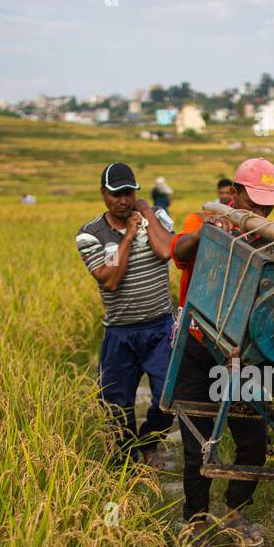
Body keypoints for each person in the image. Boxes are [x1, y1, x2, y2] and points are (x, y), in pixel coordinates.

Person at [169, 159, 274, 547]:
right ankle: (194, 519)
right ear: (236, 192)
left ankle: (235, 509)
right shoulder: (204, 219)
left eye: (267, 205)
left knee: (253, 441)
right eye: (254, 202)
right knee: (197, 441)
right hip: (198, 346)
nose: (261, 212)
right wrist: (209, 232)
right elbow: (178, 249)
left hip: (243, 357)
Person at [75, 162, 177, 467]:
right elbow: (109, 279)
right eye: (116, 194)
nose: (123, 200)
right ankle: (125, 462)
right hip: (120, 332)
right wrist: (129, 237)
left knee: (168, 397)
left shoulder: (156, 216)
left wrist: (146, 213)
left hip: (160, 327)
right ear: (103, 194)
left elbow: (166, 251)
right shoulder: (90, 234)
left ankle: (149, 441)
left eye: (129, 193)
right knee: (116, 405)